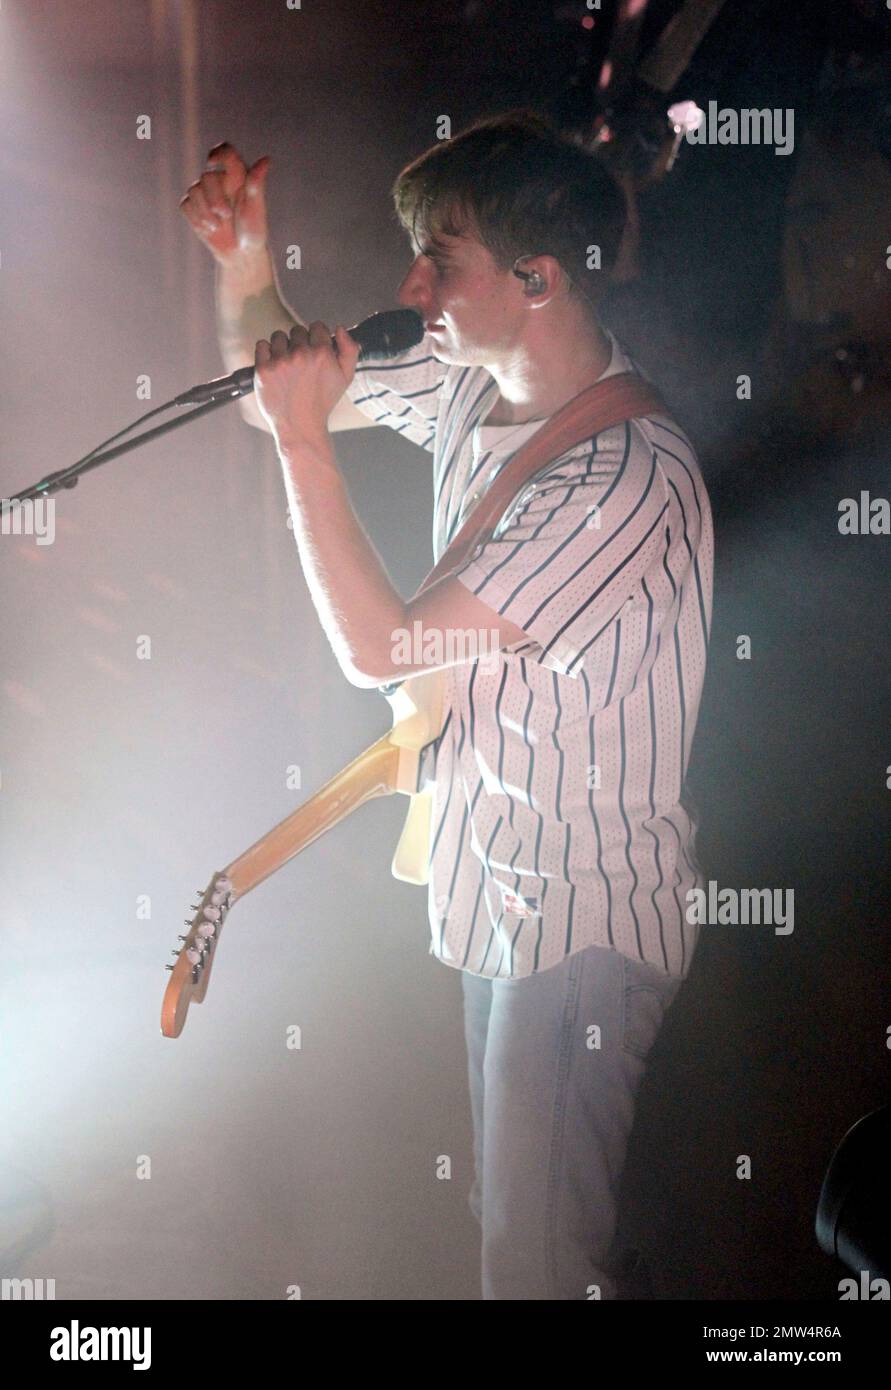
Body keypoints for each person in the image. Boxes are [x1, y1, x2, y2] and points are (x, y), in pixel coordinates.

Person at [180, 108, 714, 1300]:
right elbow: (277, 391)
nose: (411, 287)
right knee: (519, 1224)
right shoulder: (473, 374)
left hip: (576, 920)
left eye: (441, 259)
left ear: (537, 279)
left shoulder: (621, 481)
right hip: (494, 877)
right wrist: (246, 271)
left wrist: (306, 448)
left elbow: (384, 646)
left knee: (533, 1263)